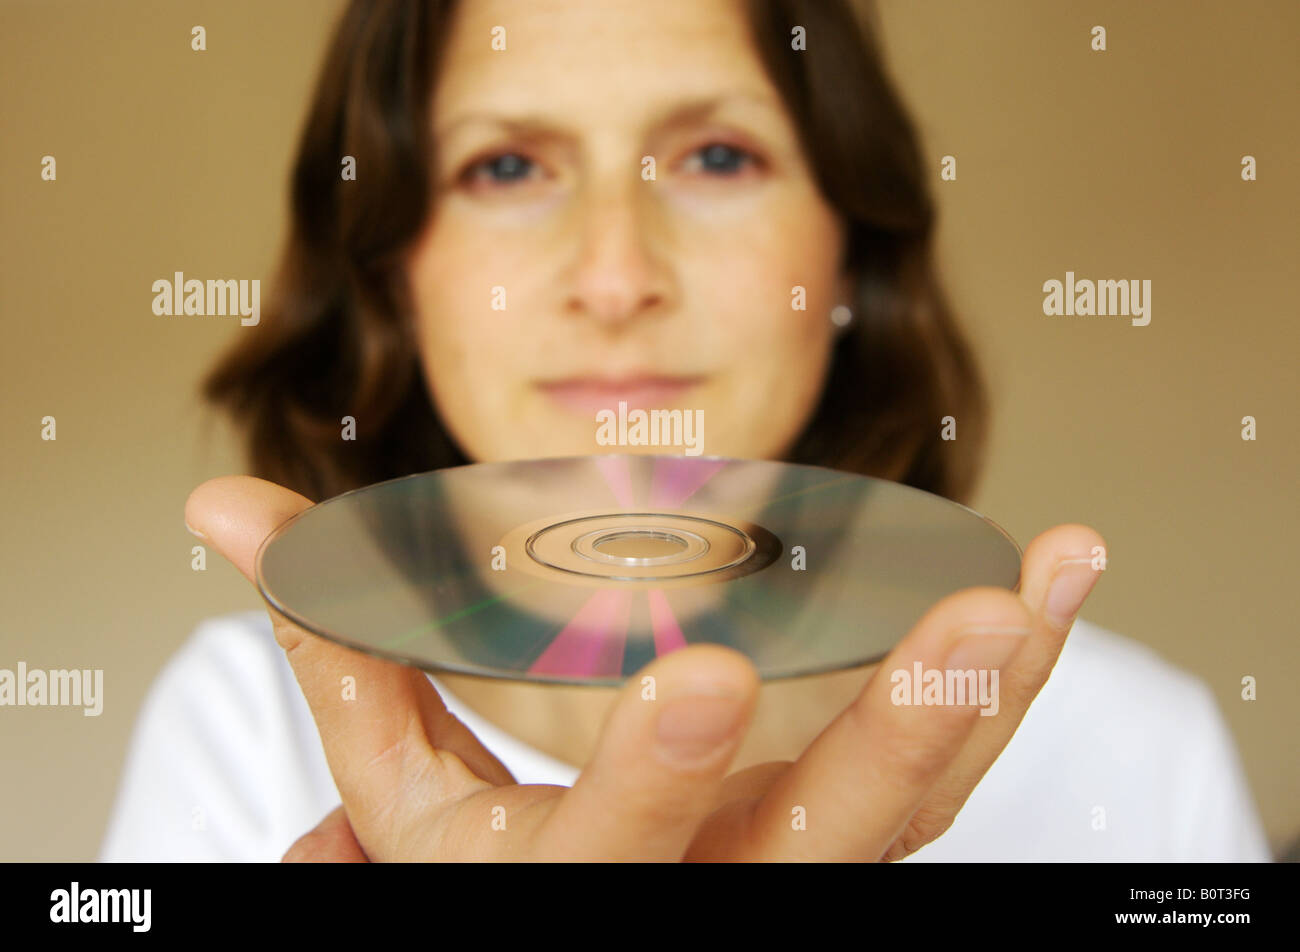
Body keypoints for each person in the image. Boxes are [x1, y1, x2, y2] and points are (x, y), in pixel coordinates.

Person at [100, 0, 1270, 862]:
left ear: (849, 253)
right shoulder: (235, 731)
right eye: (506, 165)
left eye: (717, 156)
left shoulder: (1144, 754)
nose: (615, 277)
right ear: (395, 276)